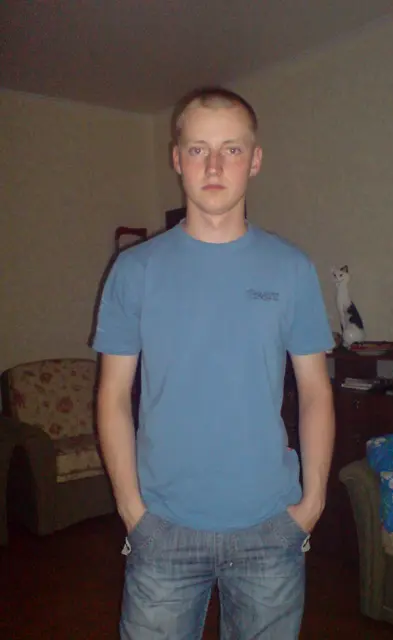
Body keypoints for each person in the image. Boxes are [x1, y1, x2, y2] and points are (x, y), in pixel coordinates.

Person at [92, 87, 335, 639]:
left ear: (256, 160)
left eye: (232, 149)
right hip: (162, 529)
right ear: (177, 159)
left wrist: (312, 502)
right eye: (199, 149)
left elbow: (316, 391)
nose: (215, 166)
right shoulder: (134, 270)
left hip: (270, 529)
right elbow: (112, 395)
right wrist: (132, 511)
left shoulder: (292, 269)